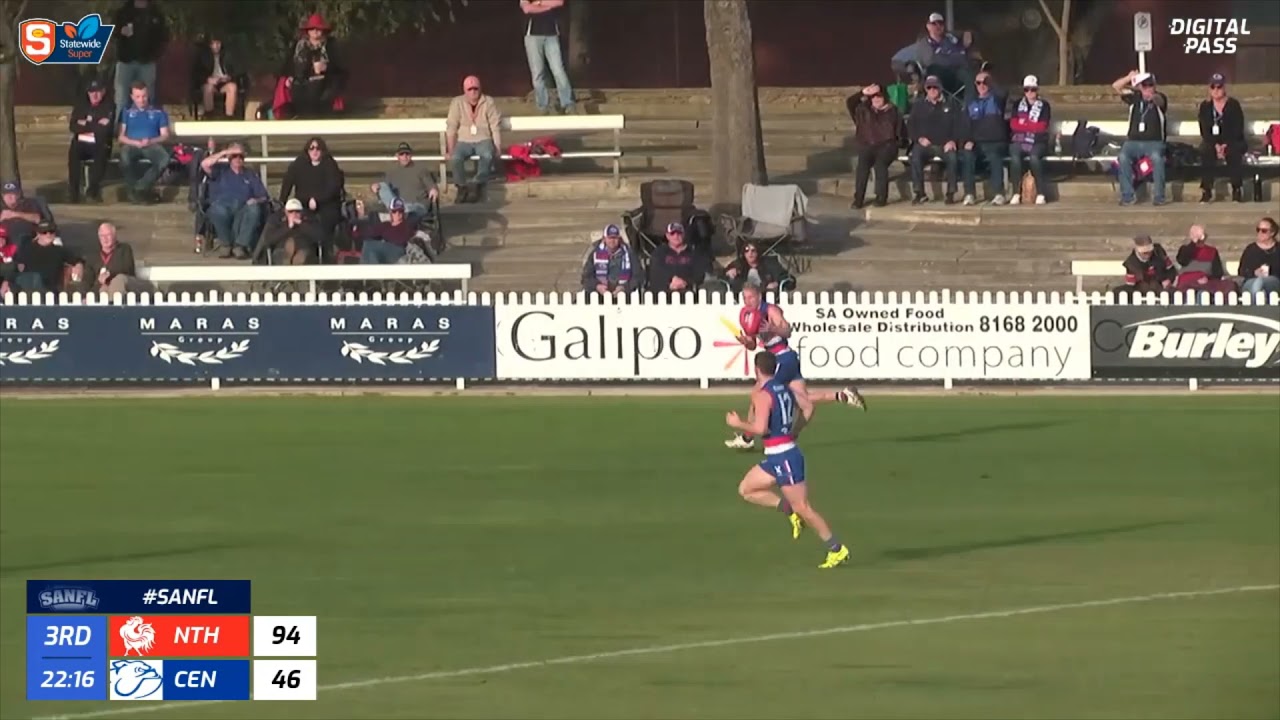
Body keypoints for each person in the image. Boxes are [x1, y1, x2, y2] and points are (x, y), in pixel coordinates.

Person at [726, 351, 851, 570]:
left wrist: (738, 424)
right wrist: (795, 431)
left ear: (756, 370)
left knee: (804, 507)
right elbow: (809, 406)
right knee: (747, 490)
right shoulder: (785, 387)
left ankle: (837, 549)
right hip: (777, 455)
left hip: (784, 457)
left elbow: (760, 428)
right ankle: (789, 511)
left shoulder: (762, 395)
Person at [725, 284, 866, 450]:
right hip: (786, 358)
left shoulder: (771, 311)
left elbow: (788, 331)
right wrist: (746, 342)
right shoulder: (748, 315)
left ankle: (747, 439)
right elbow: (753, 345)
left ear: (759, 297)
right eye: (744, 298)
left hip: (781, 358)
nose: (747, 301)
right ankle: (841, 396)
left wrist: (773, 328)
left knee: (759, 394)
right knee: (805, 402)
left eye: (750, 297)